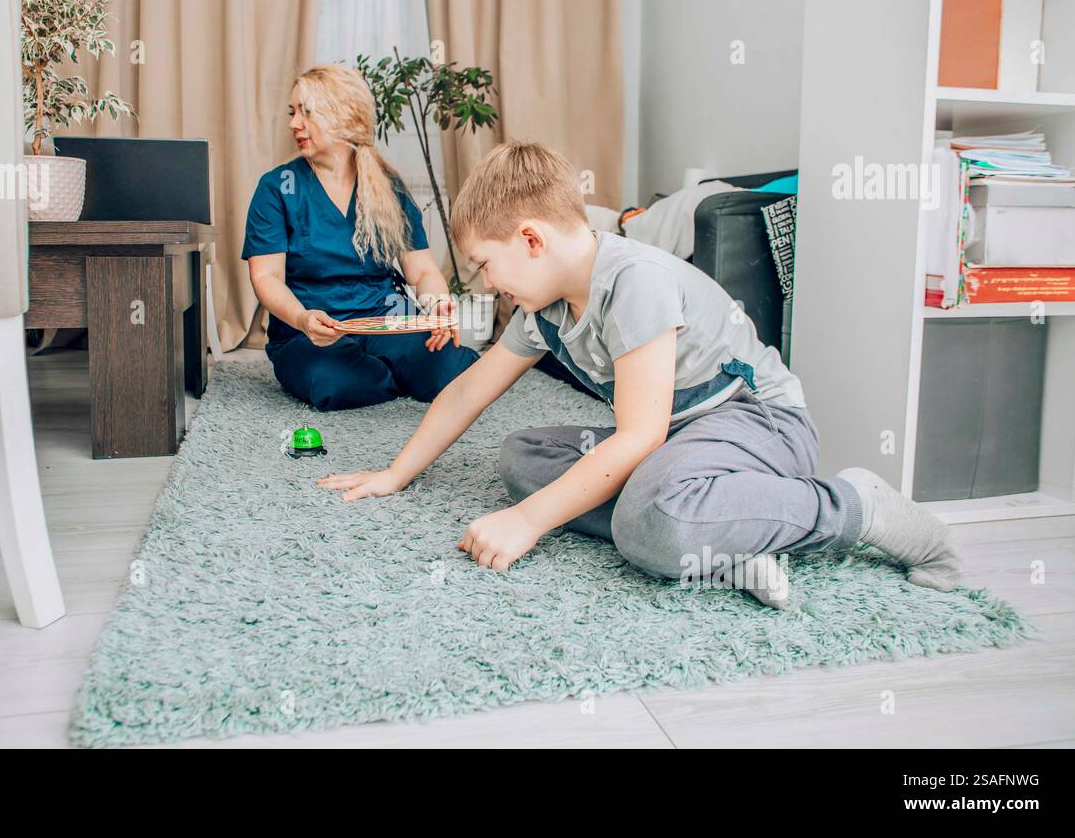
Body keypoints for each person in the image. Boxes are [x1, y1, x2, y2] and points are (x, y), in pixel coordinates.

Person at [317, 141, 960, 609]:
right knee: (522, 456)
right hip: (680, 443)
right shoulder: (543, 308)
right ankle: (722, 540)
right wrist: (394, 475)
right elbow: (468, 392)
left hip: (760, 425)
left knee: (645, 520)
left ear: (533, 239)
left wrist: (528, 522)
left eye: (487, 263)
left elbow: (639, 436)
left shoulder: (636, 281)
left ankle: (857, 507)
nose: (487, 282)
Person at [243, 64, 478, 411]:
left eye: (306, 113)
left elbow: (422, 270)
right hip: (309, 331)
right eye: (293, 113)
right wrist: (303, 320)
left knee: (454, 369)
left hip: (386, 321)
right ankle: (387, 371)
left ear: (343, 118)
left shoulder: (388, 185)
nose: (294, 124)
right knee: (336, 384)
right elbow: (266, 277)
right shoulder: (276, 188)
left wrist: (437, 307)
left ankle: (387, 367)